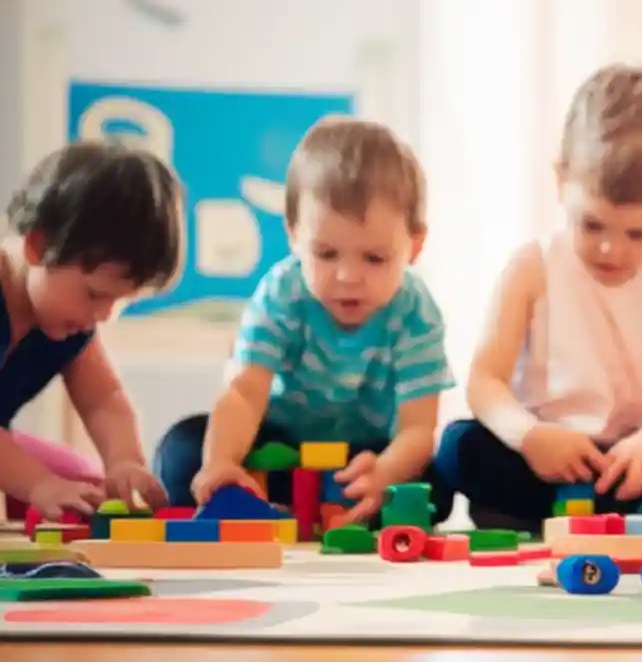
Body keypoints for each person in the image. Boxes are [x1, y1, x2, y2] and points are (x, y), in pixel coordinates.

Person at [435, 63, 642, 534]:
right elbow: (485, 382)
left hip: (624, 462)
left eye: (639, 233)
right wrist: (531, 436)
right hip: (543, 453)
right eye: (593, 224)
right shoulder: (532, 268)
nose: (613, 248)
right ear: (561, 179)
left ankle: (553, 515)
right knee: (459, 447)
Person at [153, 116, 455, 526]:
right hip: (278, 444)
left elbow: (418, 429)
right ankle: (256, 504)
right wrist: (222, 461)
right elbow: (244, 392)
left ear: (414, 246)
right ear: (294, 235)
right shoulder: (282, 293)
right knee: (182, 450)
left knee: (436, 478)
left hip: (363, 455)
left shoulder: (415, 311)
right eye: (327, 254)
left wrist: (385, 473)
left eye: (374, 258)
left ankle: (354, 506)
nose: (348, 276)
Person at [1, 141, 181, 519]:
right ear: (38, 246)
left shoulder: (68, 321)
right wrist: (38, 485)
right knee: (49, 485)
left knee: (86, 486)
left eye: (121, 301)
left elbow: (104, 399)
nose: (104, 315)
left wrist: (124, 462)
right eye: (95, 294)